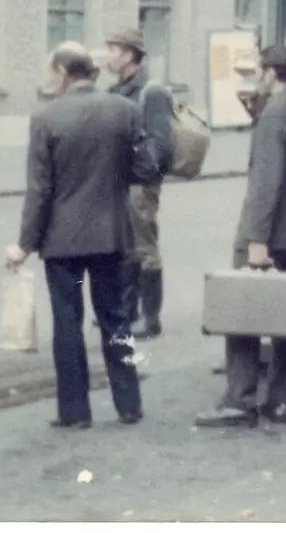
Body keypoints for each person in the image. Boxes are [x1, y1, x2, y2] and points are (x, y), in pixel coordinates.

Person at [4, 42, 159, 429]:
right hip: (112, 237)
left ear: (61, 71)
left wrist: (24, 244)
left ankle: (74, 412)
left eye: (49, 73)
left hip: (64, 244)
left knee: (68, 322)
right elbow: (145, 169)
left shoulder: (46, 118)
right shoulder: (124, 110)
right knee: (116, 319)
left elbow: (39, 190)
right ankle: (129, 404)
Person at [196, 47, 286, 428]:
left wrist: (256, 239)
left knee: (242, 313)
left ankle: (240, 398)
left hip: (266, 230)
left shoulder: (274, 115)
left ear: (269, 73)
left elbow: (267, 181)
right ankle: (280, 399)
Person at [103, 28, 174, 340]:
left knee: (144, 248)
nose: (108, 56)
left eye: (114, 50)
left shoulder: (151, 92)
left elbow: (160, 144)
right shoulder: (117, 90)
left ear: (130, 55)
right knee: (125, 247)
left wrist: (142, 178)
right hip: (119, 179)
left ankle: (150, 318)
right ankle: (128, 311)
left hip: (139, 183)